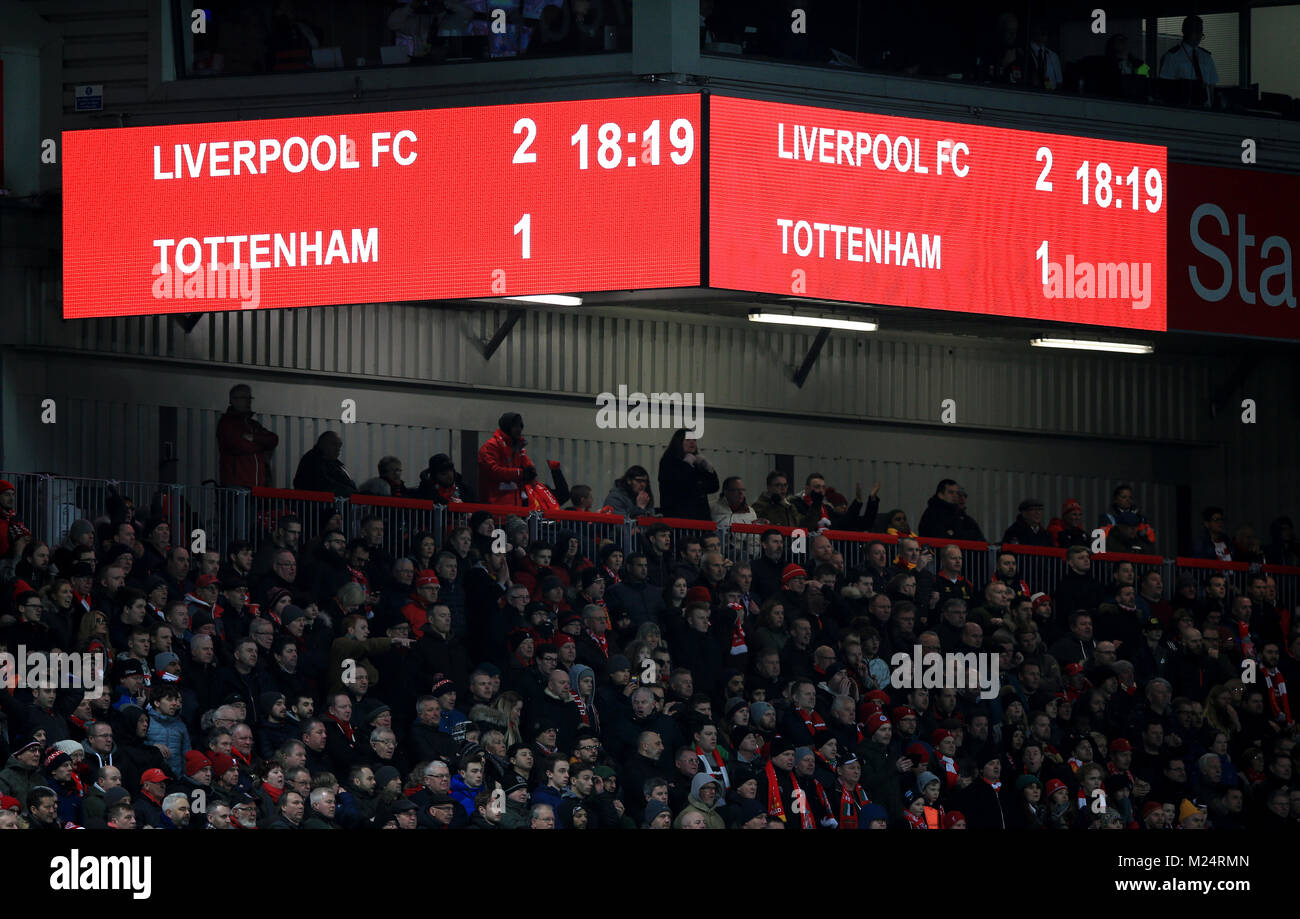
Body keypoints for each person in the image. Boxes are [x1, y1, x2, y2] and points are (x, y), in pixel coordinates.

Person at [217, 384, 279, 487]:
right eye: (244, 398)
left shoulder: (253, 424)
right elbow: (240, 445)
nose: (248, 401)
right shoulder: (227, 424)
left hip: (257, 487)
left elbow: (273, 439)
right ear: (232, 400)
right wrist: (262, 445)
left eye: (249, 398)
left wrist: (254, 438)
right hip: (236, 487)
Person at [657, 429, 719, 520]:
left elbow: (714, 487)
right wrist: (686, 464)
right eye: (688, 440)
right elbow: (678, 486)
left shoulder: (697, 463)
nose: (692, 443)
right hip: (678, 517)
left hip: (700, 517)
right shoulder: (668, 462)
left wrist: (709, 470)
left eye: (694, 440)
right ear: (679, 442)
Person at [478, 412, 536, 507]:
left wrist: (526, 472)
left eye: (520, 426)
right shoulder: (491, 446)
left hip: (516, 506)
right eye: (515, 426)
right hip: (495, 507)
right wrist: (520, 473)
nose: (519, 430)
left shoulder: (518, 448)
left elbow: (530, 472)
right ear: (506, 427)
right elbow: (494, 471)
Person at [1158, 15, 1218, 106]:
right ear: (1185, 31)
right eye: (1195, 31)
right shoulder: (1172, 56)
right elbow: (1165, 87)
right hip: (1181, 108)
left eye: (1200, 31)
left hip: (1205, 109)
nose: (1198, 35)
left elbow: (1211, 86)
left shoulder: (1206, 57)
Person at [292, 431, 357, 496]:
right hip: (318, 504)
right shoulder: (313, 460)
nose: (338, 449)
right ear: (322, 444)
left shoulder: (334, 463)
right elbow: (323, 483)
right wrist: (350, 492)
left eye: (339, 446)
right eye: (334, 445)